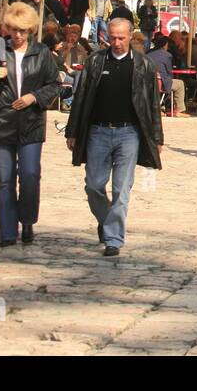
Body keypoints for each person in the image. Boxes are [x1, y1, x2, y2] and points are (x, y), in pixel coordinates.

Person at [64, 18, 164, 257]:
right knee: (94, 186)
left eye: (121, 37)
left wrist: (157, 137)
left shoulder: (143, 65)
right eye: (113, 37)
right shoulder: (96, 61)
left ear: (131, 36)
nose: (117, 42)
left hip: (129, 133)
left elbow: (151, 104)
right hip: (98, 131)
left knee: (122, 189)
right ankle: (108, 220)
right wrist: (73, 130)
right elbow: (81, 96)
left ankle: (113, 239)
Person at [0, 1, 62, 247]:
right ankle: (7, 231)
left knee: (30, 175)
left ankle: (27, 221)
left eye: (23, 31)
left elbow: (54, 84)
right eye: (14, 30)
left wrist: (34, 97)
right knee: (5, 179)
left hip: (31, 122)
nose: (18, 35)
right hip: (3, 121)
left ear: (31, 30)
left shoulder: (41, 52)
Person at [145, 33, 188, 117]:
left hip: (148, 83)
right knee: (180, 84)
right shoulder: (167, 55)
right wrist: (170, 78)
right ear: (165, 45)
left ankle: (161, 107)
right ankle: (179, 110)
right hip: (161, 83)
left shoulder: (147, 54)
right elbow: (169, 71)